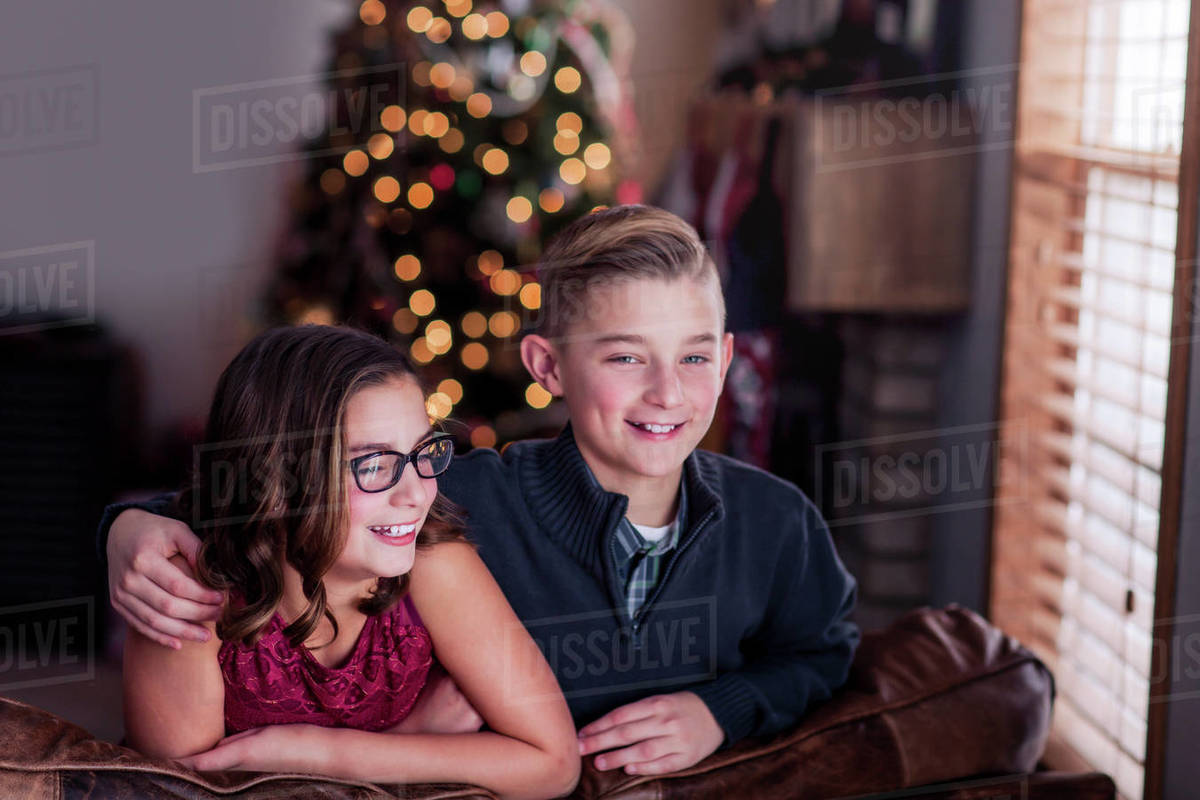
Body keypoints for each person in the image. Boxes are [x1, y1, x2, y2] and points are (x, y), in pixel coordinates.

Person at [102, 205, 859, 778]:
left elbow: (823, 653)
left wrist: (720, 712)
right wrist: (124, 528)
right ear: (548, 367)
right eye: (627, 357)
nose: (668, 392)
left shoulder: (777, 520)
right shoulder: (456, 497)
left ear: (726, 359)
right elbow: (258, 506)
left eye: (695, 358)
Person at [120, 325, 579, 800]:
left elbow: (554, 764)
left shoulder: (434, 562)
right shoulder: (188, 596)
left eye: (423, 452)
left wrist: (318, 751)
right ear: (273, 483)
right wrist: (409, 741)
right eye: (374, 464)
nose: (416, 494)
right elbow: (178, 795)